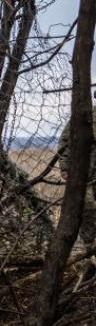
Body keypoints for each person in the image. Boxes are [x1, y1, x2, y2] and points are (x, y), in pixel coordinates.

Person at [57, 98, 96, 250]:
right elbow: (65, 142)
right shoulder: (86, 115)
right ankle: (89, 249)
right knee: (87, 209)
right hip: (84, 174)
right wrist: (65, 168)